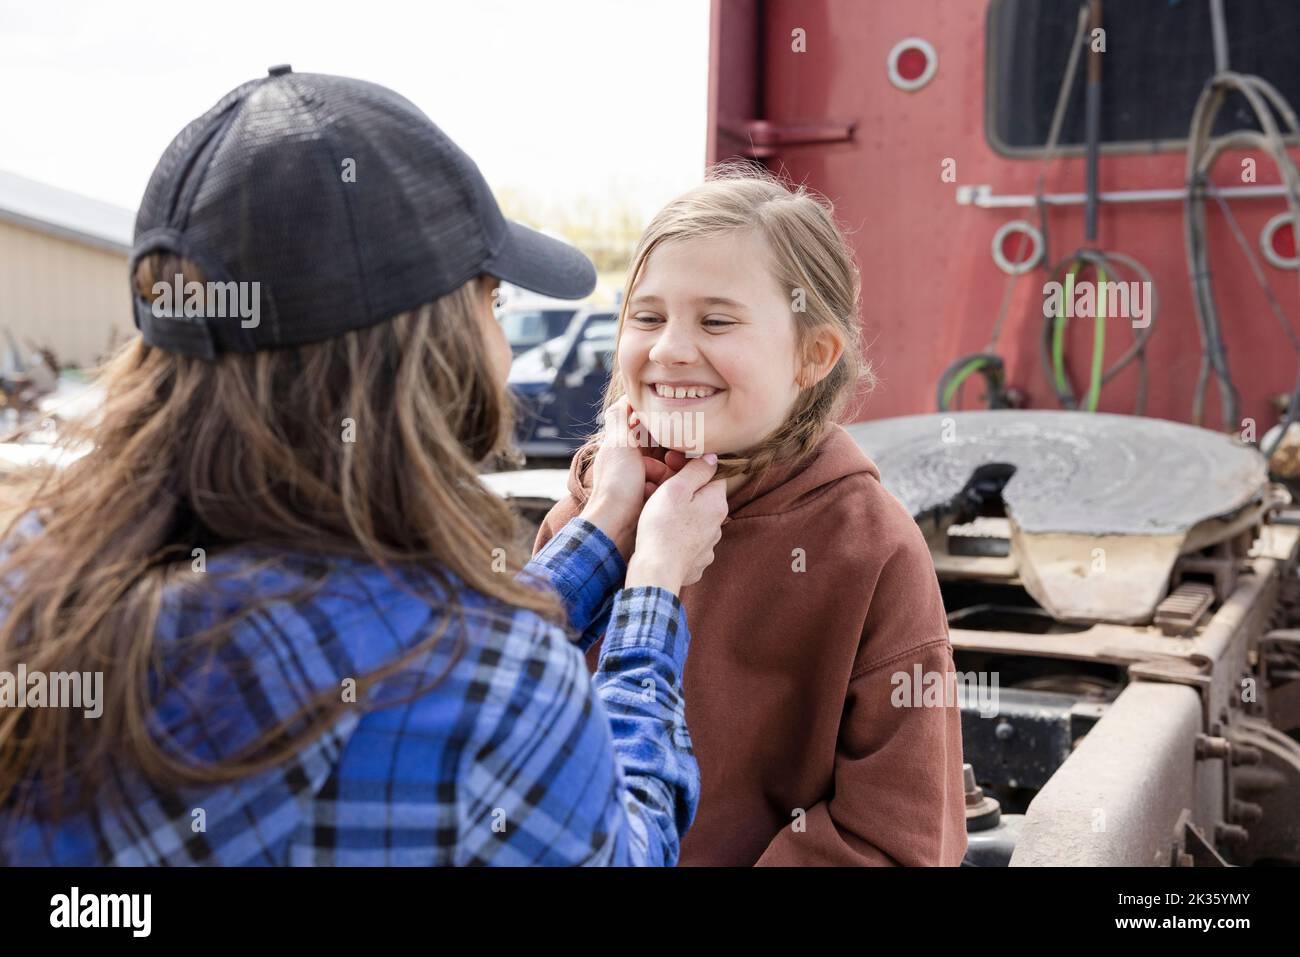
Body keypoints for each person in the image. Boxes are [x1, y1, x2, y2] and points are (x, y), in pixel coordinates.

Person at [0, 68, 727, 866]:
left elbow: (389, 633)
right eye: (490, 301)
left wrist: (602, 532)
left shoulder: (31, 571)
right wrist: (653, 591)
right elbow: (623, 848)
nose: (504, 340)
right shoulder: (492, 692)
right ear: (427, 349)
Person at [535, 166, 968, 866]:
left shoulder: (870, 548)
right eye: (646, 316)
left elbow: (895, 838)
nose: (670, 347)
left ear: (812, 356)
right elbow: (504, 747)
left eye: (716, 320)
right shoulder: (586, 522)